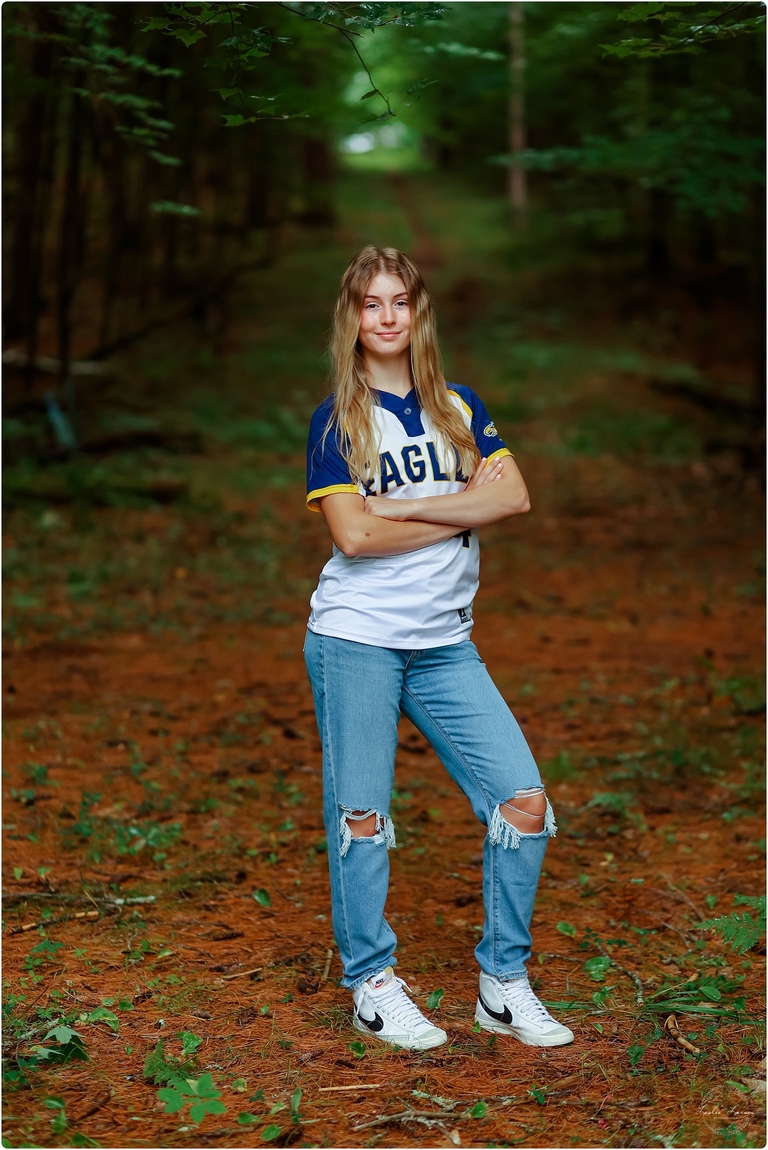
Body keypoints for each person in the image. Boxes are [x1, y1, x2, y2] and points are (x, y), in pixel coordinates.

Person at [304, 246, 573, 1051]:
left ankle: (503, 983)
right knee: (362, 817)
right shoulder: (340, 419)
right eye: (370, 303)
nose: (386, 317)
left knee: (523, 805)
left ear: (419, 314)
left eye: (401, 302)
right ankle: (372, 983)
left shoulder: (461, 407)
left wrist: (411, 512)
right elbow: (352, 535)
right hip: (357, 639)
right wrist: (465, 507)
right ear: (352, 319)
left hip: (446, 645)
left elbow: (516, 495)